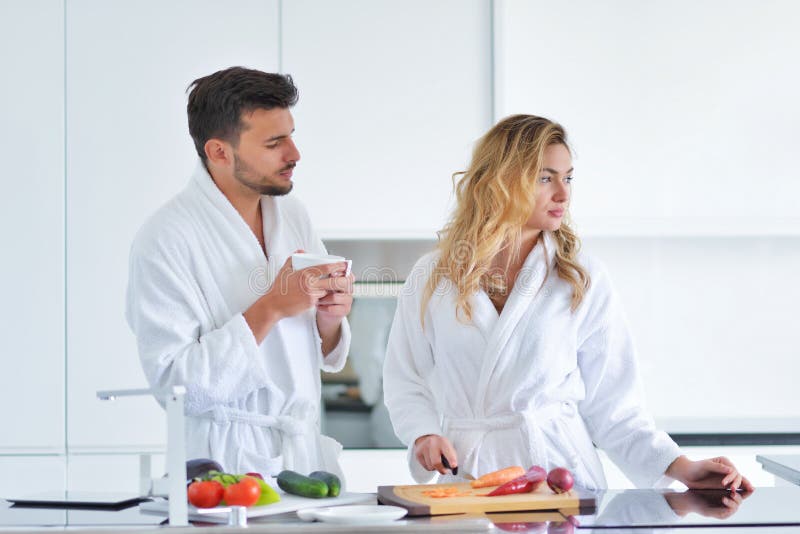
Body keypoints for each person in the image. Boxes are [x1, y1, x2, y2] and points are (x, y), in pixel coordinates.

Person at [383, 114, 754, 492]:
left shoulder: (580, 278)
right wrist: (423, 435)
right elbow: (404, 379)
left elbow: (616, 408)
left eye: (568, 177)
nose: (564, 193)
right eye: (546, 178)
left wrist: (681, 467)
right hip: (469, 480)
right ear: (502, 181)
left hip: (561, 479)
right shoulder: (434, 276)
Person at [126, 67, 353, 480]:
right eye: (274, 143)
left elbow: (315, 349)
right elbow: (175, 388)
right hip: (222, 468)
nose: (295, 153)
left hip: (304, 463)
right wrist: (270, 308)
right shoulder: (165, 238)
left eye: (291, 134)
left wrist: (330, 319)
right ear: (219, 152)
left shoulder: (292, 214)